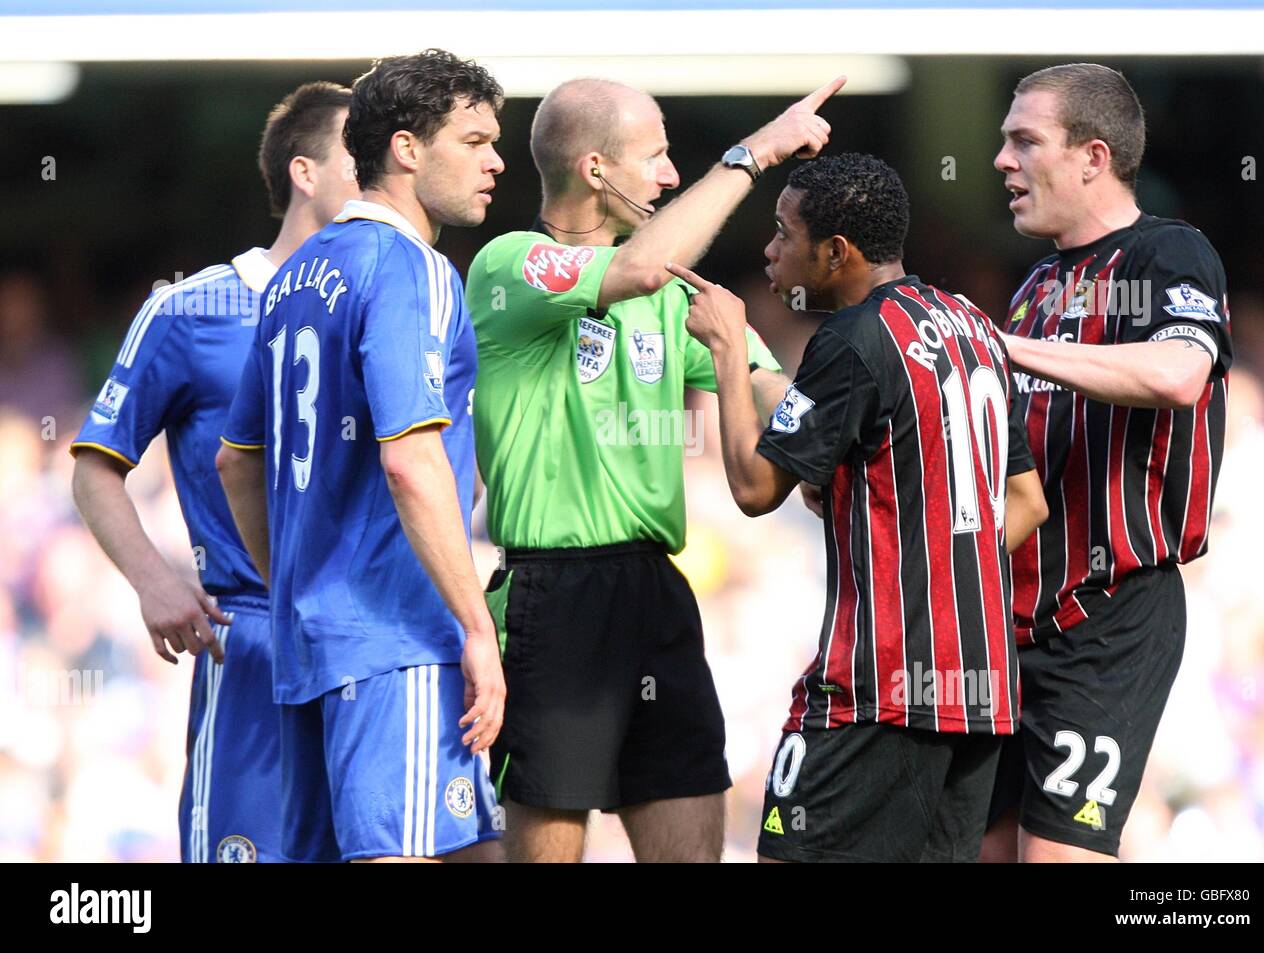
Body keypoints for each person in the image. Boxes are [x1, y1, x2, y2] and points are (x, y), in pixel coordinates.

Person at [464, 76, 844, 862]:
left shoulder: (672, 294)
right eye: (657, 156)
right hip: (555, 599)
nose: (671, 175)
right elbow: (634, 268)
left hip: (657, 595)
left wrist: (869, 406)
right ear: (595, 169)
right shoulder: (511, 263)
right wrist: (755, 153)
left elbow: (781, 396)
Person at [668, 152, 1048, 862]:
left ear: (836, 251)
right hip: (983, 684)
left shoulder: (850, 337)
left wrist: (726, 348)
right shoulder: (969, 324)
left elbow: (754, 490)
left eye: (785, 232)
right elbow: (1026, 502)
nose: (770, 248)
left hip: (880, 685)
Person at [216, 49, 506, 863]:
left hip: (311, 646)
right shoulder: (414, 268)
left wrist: (297, 592)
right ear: (408, 149)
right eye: (476, 139)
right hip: (398, 637)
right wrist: (476, 628)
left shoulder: (294, 274)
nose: (496, 161)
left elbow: (235, 463)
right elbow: (411, 461)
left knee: (472, 847)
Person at [70, 81, 359, 863]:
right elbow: (96, 467)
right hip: (253, 637)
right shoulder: (192, 310)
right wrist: (153, 580)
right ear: (306, 172)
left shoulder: (394, 302)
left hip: (370, 641)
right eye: (359, 156)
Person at [983, 63, 1232, 862]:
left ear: (1093, 156)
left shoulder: (1169, 252)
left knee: (1058, 855)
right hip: (1011, 617)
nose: (1001, 161)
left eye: (1024, 141)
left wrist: (1007, 347)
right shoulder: (1036, 288)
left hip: (1110, 617)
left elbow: (1179, 374)